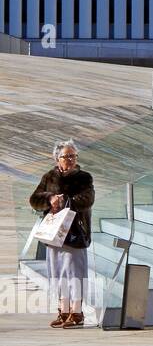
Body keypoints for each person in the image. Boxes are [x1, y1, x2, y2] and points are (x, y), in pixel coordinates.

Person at [30, 140, 95, 329]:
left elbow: (87, 199)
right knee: (57, 273)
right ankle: (63, 310)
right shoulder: (49, 176)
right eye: (67, 156)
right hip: (54, 234)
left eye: (73, 156)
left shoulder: (84, 177)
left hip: (76, 232)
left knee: (75, 272)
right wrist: (49, 198)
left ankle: (77, 312)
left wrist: (65, 200)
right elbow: (34, 199)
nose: (71, 159)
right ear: (57, 158)